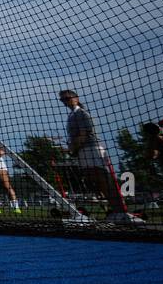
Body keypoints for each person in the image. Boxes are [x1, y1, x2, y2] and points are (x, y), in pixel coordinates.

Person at [58, 90, 140, 224]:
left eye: (67, 98)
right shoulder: (72, 115)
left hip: (91, 148)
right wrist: (71, 149)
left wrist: (73, 149)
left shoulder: (81, 114)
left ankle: (121, 210)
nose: (65, 102)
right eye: (62, 100)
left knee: (103, 179)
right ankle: (114, 210)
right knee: (93, 179)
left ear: (76, 98)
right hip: (83, 150)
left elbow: (84, 134)